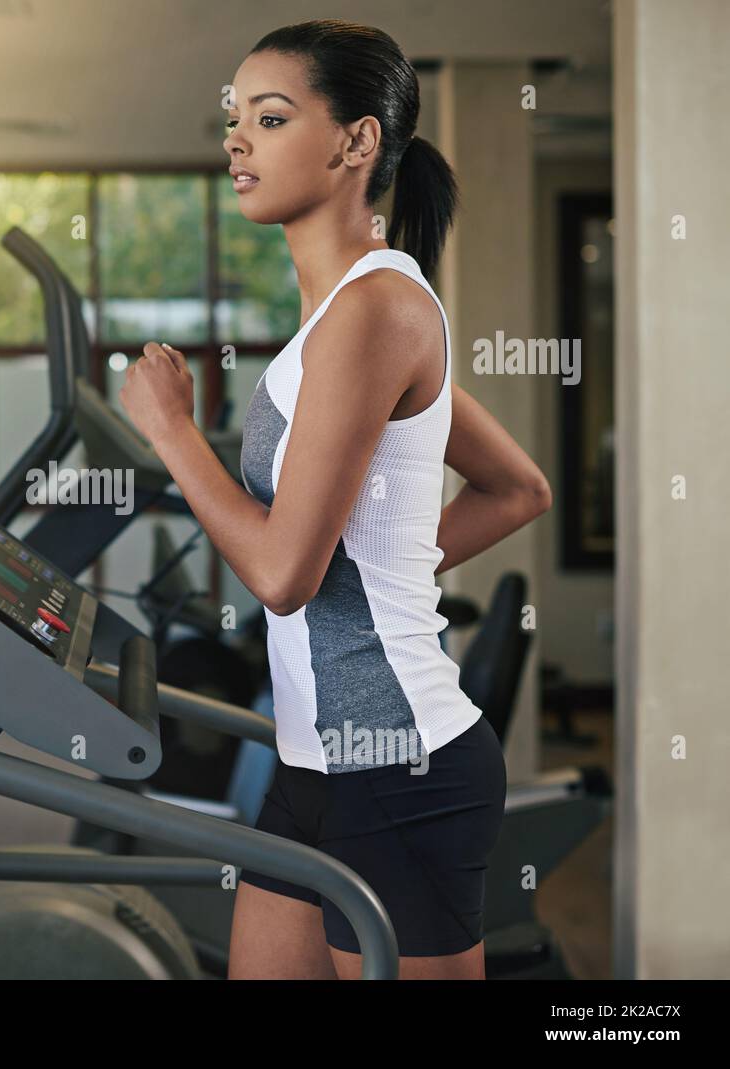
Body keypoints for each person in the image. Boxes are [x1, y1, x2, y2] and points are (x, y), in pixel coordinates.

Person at [118, 19, 551, 980]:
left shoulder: (377, 309)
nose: (236, 138)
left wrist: (172, 432)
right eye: (233, 119)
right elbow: (518, 487)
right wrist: (391, 566)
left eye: (269, 118)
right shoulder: (344, 316)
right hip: (315, 760)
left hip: (403, 772)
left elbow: (280, 575)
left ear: (357, 142)